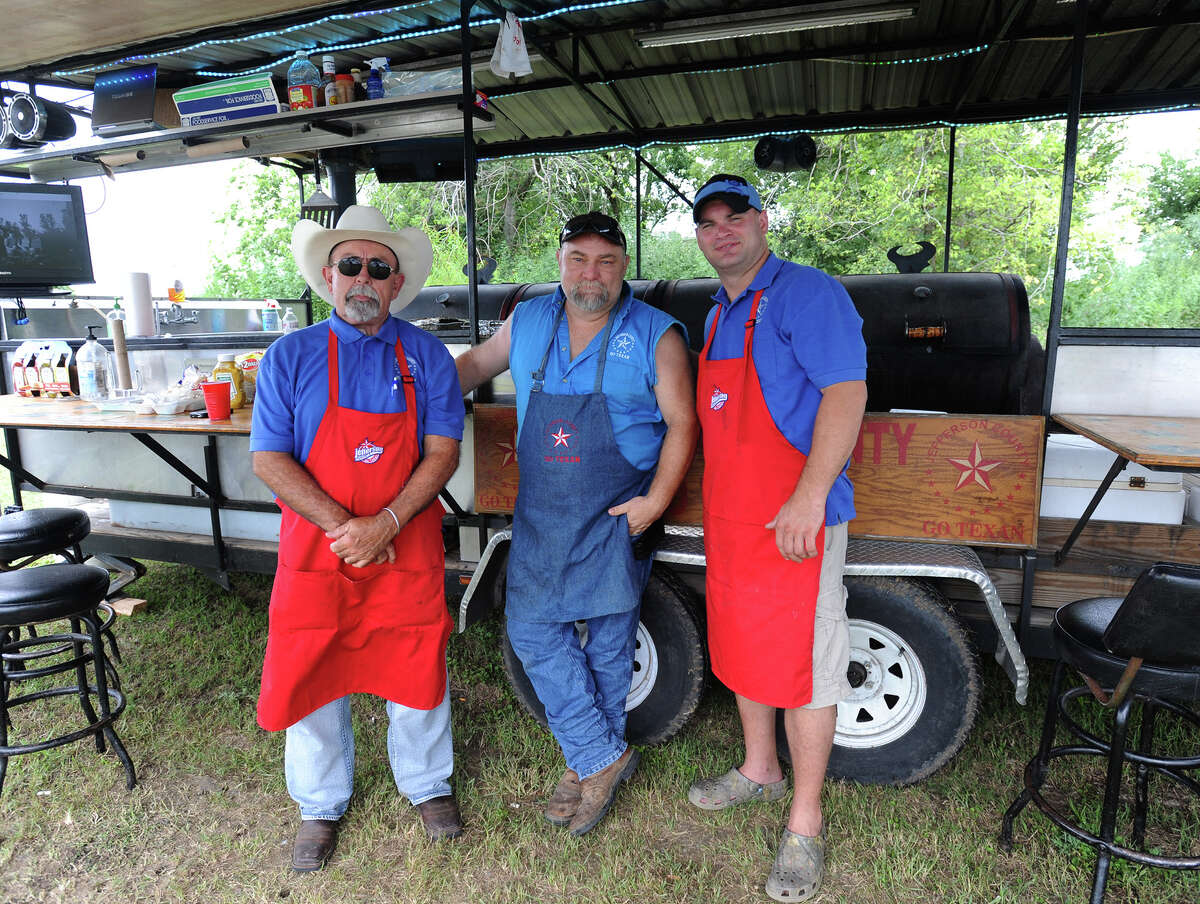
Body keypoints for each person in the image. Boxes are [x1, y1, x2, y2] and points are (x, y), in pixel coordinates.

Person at [456, 211, 697, 836]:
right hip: (543, 506)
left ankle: (586, 762)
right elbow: (473, 367)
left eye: (607, 261)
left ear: (624, 267)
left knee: (611, 642)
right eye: (578, 259)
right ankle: (601, 755)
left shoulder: (654, 333)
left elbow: (684, 424)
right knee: (532, 628)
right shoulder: (530, 318)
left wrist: (656, 502)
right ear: (559, 263)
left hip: (619, 506)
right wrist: (401, 387)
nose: (592, 274)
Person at [250, 205, 466, 872]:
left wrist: (387, 524)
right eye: (351, 265)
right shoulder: (289, 356)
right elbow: (269, 458)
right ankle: (319, 802)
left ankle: (427, 785)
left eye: (378, 267)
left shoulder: (427, 355)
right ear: (328, 275)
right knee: (313, 664)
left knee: (415, 663)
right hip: (320, 550)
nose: (363, 278)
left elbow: (442, 453)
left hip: (406, 546)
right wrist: (346, 529)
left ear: (397, 283)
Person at [687, 175, 867, 903]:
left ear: (764, 222)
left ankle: (804, 822)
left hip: (798, 519)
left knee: (808, 660)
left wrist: (809, 494)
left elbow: (846, 393)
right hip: (734, 519)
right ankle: (760, 769)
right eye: (708, 221)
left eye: (736, 217)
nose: (721, 230)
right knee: (745, 646)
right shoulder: (717, 313)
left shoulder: (806, 293)